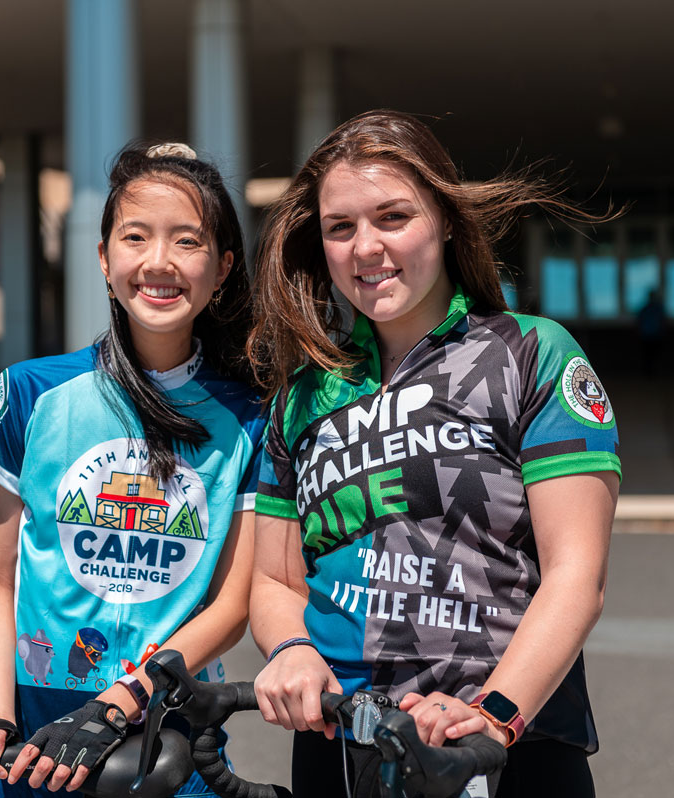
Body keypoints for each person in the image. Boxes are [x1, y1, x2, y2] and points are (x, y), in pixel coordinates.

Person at [247, 110, 621, 798]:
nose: (366, 247)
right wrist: (293, 649)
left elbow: (578, 576)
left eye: (393, 217)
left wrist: (494, 716)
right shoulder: (301, 394)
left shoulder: (532, 354)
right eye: (340, 227)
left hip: (501, 746)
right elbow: (274, 581)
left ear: (445, 220)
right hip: (339, 745)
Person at [0, 142, 266, 797]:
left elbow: (232, 605)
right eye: (135, 237)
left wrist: (119, 703)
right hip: (39, 735)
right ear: (103, 258)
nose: (158, 262)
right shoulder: (29, 392)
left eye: (187, 241)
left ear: (222, 267)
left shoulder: (252, 414)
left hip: (176, 736)